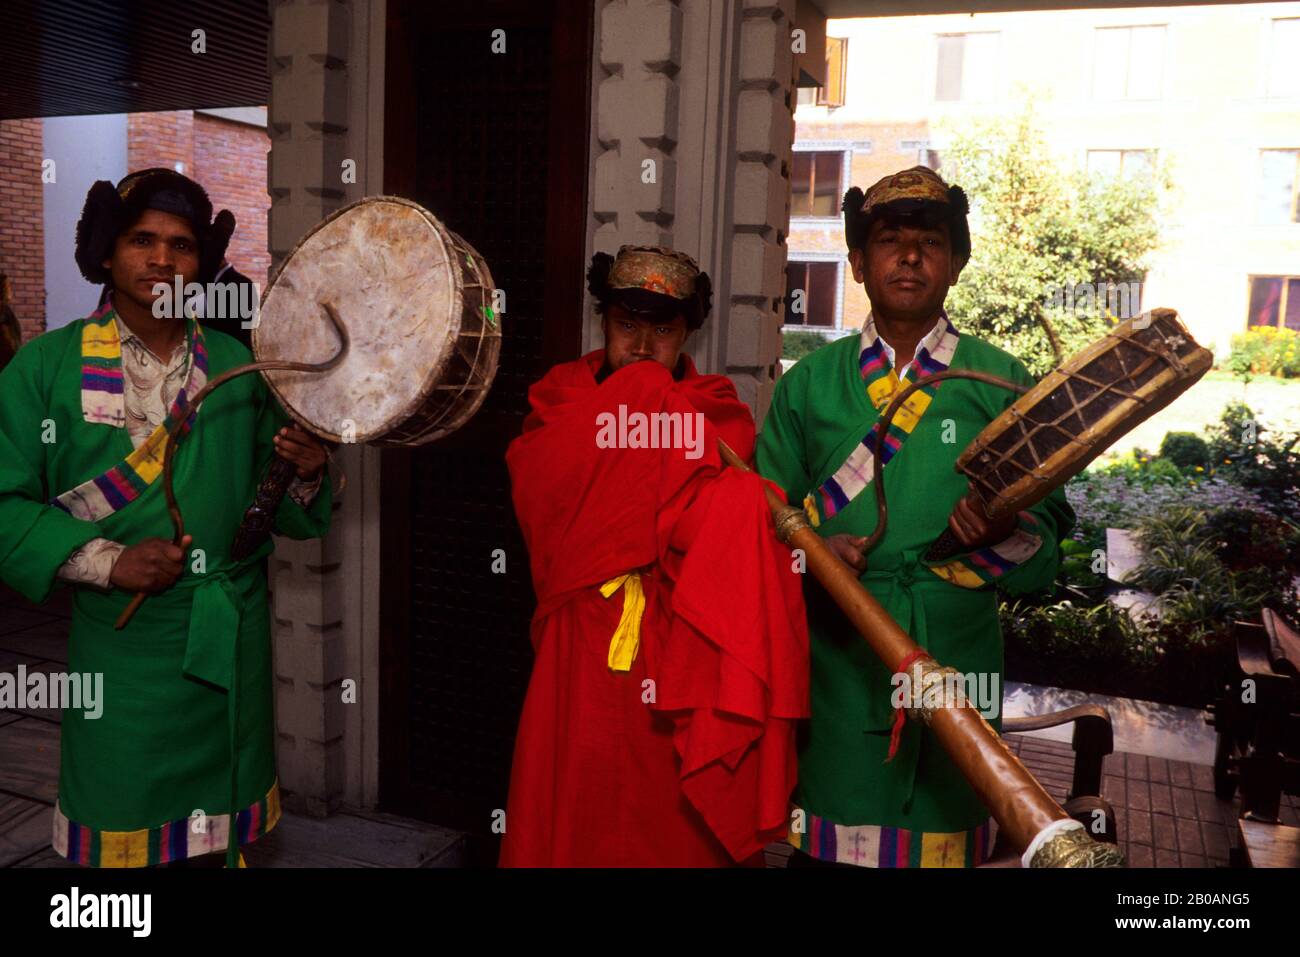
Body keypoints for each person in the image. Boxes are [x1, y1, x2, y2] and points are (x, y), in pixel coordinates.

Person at [0, 168, 332, 867]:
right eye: (141, 239)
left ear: (200, 264)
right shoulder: (41, 369)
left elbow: (281, 509)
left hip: (226, 644)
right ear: (105, 250)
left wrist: (305, 471)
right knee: (120, 826)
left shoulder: (241, 364)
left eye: (181, 245)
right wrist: (109, 561)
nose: (162, 259)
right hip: (120, 657)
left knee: (220, 835)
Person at [755, 166, 1073, 867]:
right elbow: (754, 530)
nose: (908, 255)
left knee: (946, 841)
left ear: (956, 262)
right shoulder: (809, 382)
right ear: (859, 263)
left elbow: (1046, 555)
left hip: (956, 662)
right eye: (889, 240)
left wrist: (1001, 531)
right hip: (840, 662)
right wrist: (812, 557)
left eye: (929, 241)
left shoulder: (1002, 383)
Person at [500, 244, 808, 866]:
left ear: (689, 332)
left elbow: (720, 527)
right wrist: (645, 399)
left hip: (678, 651)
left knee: (667, 828)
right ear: (603, 322)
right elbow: (543, 501)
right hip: (580, 647)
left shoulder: (715, 410)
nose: (642, 347)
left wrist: (745, 501)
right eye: (626, 325)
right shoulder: (558, 402)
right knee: (573, 810)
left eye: (663, 330)